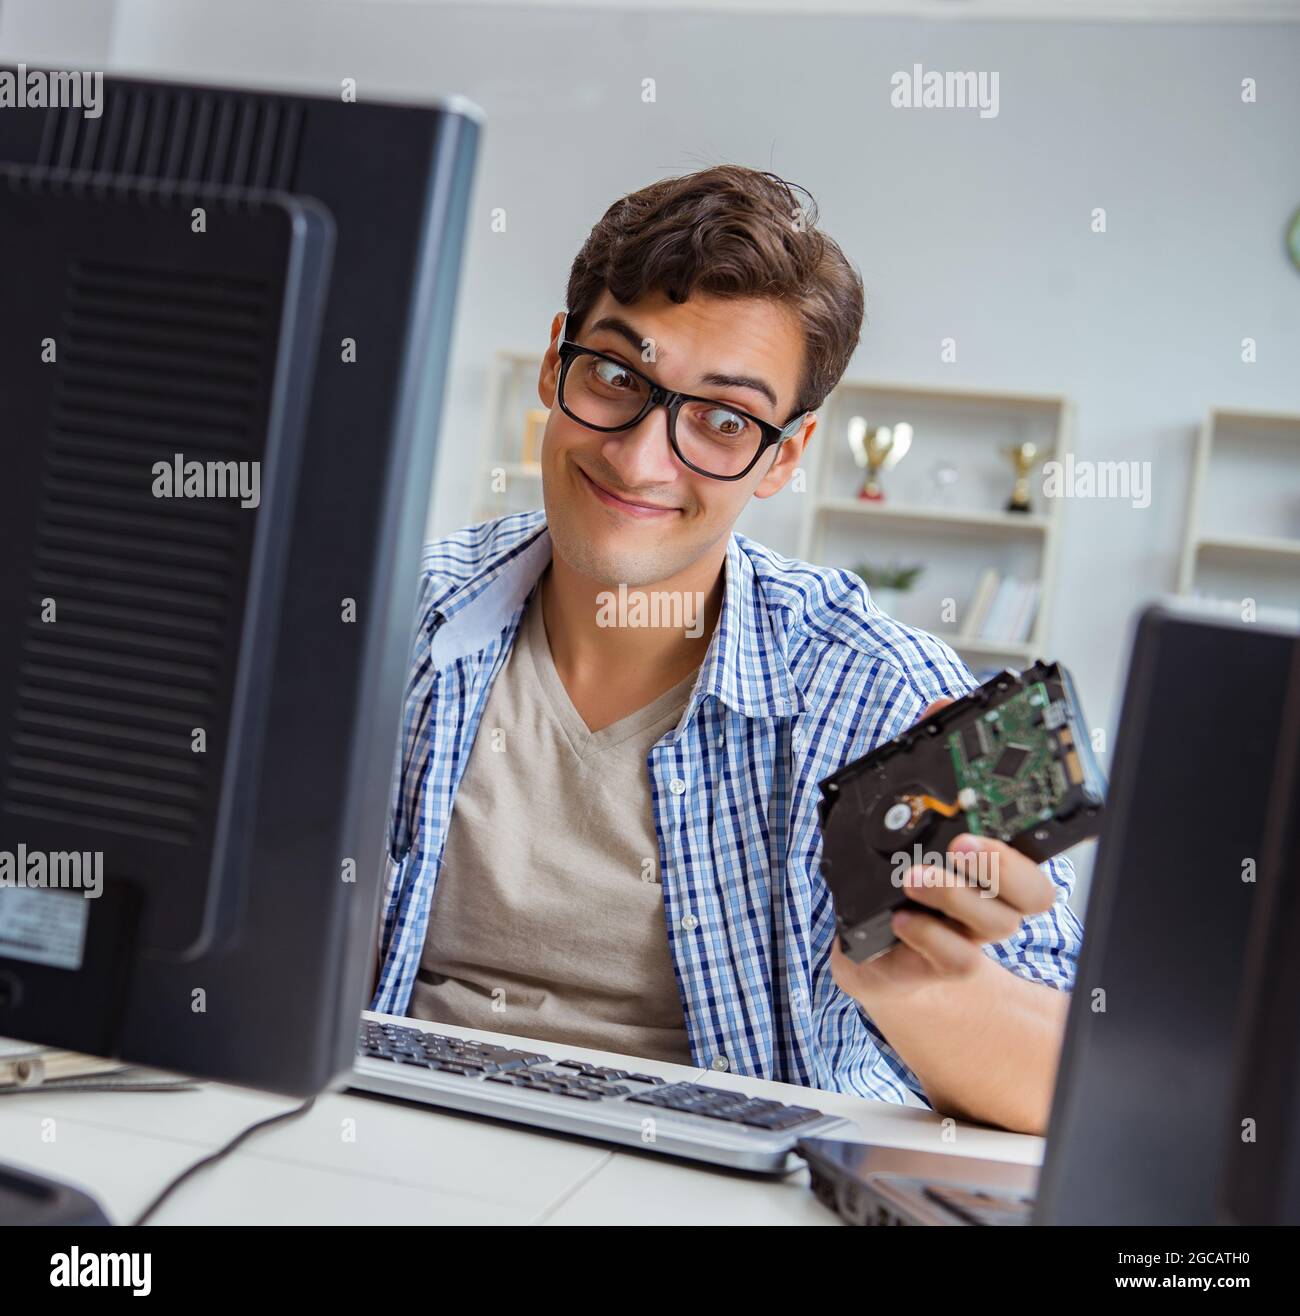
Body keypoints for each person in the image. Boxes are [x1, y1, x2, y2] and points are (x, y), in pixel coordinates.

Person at [371, 164, 1081, 1134]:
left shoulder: (879, 690)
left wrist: (924, 988)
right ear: (555, 364)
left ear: (785, 455)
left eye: (722, 418)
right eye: (617, 375)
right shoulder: (384, 620)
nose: (639, 458)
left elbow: (1074, 1089)